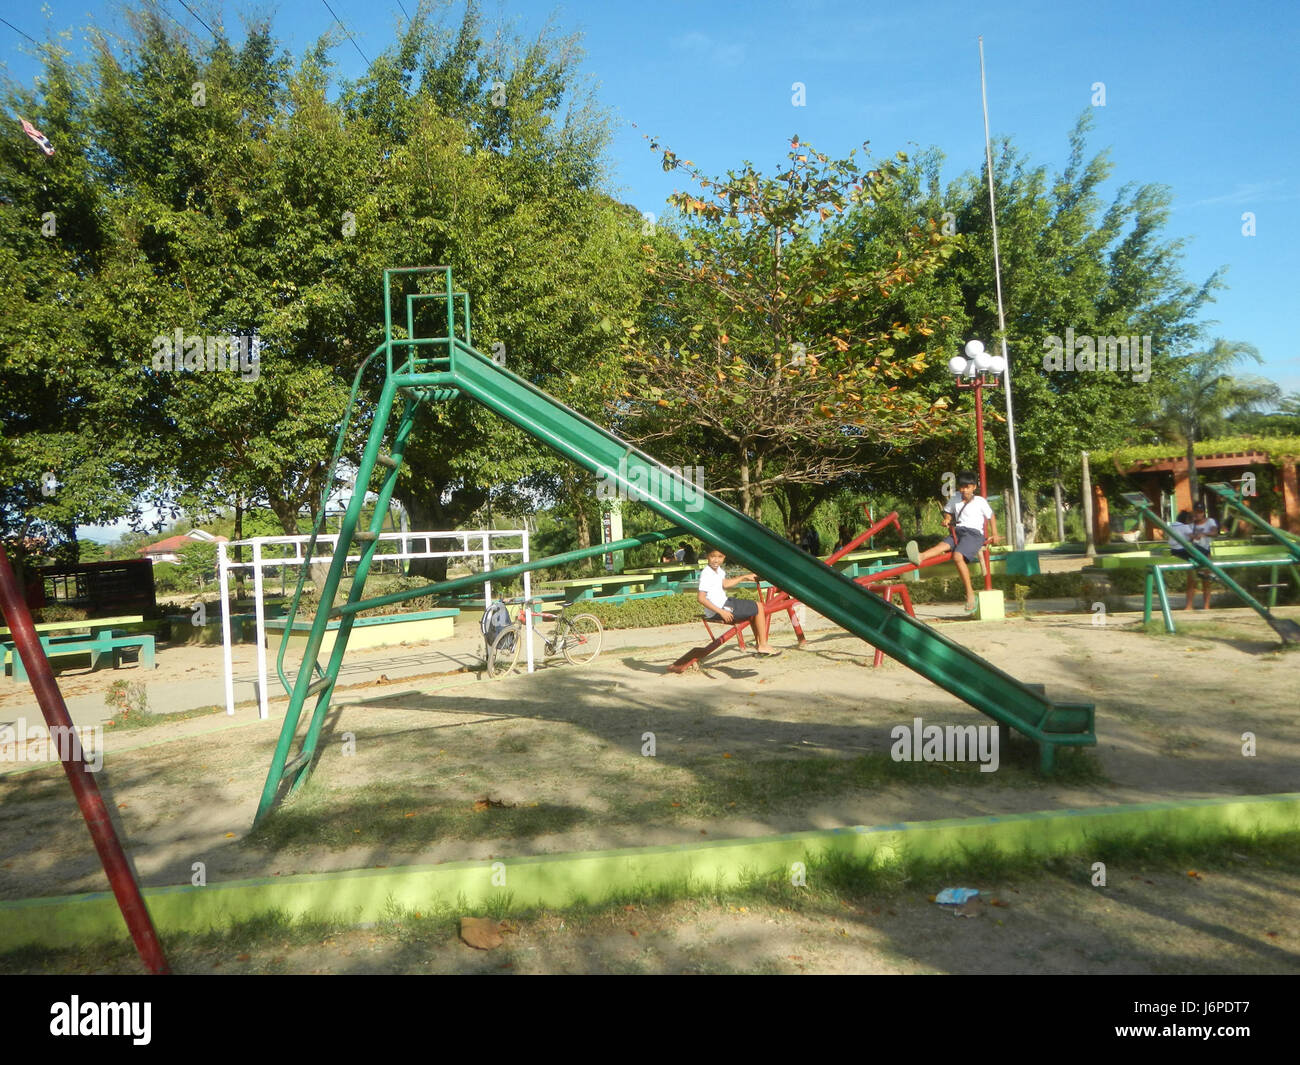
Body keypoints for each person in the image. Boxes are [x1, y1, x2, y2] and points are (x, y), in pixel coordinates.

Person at [904, 471, 999, 613]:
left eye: (967, 487)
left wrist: (995, 534)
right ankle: (920, 557)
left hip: (974, 535)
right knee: (941, 546)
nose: (964, 490)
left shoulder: (980, 501)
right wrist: (947, 520)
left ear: (974, 487)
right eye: (961, 487)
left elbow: (991, 516)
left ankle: (970, 595)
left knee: (957, 556)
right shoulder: (955, 498)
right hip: (958, 531)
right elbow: (948, 512)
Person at [697, 547, 780, 655]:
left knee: (754, 608)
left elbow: (725, 584)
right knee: (759, 607)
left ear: (724, 557)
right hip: (719, 609)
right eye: (713, 556)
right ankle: (763, 645)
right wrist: (721, 612)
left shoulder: (718, 571)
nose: (716, 560)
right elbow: (701, 598)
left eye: (720, 557)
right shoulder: (706, 574)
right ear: (707, 556)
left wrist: (744, 577)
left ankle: (759, 644)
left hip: (725, 603)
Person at [1173, 502, 1220, 610]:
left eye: (1201, 512)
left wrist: (1204, 534)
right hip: (1194, 553)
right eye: (1197, 512)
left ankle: (1206, 606)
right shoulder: (1191, 524)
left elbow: (1214, 532)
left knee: (1206, 581)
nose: (1199, 514)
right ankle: (1189, 606)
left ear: (1204, 512)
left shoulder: (1210, 522)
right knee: (1191, 581)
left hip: (1205, 552)